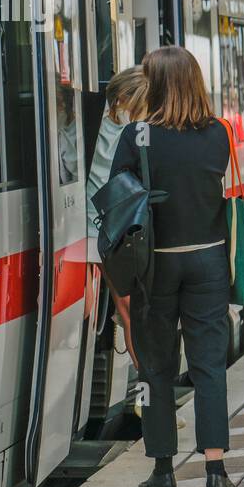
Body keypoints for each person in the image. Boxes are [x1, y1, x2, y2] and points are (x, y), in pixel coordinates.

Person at [108, 46, 238, 487]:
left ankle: (163, 472)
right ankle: (216, 472)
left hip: (156, 264)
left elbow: (117, 201)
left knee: (157, 367)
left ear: (155, 82)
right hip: (208, 259)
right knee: (208, 367)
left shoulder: (136, 135)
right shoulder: (219, 132)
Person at [87, 67, 148, 353]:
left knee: (131, 310)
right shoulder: (129, 130)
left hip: (116, 227)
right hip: (109, 230)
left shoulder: (92, 125)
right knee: (130, 310)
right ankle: (150, 383)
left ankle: (150, 383)